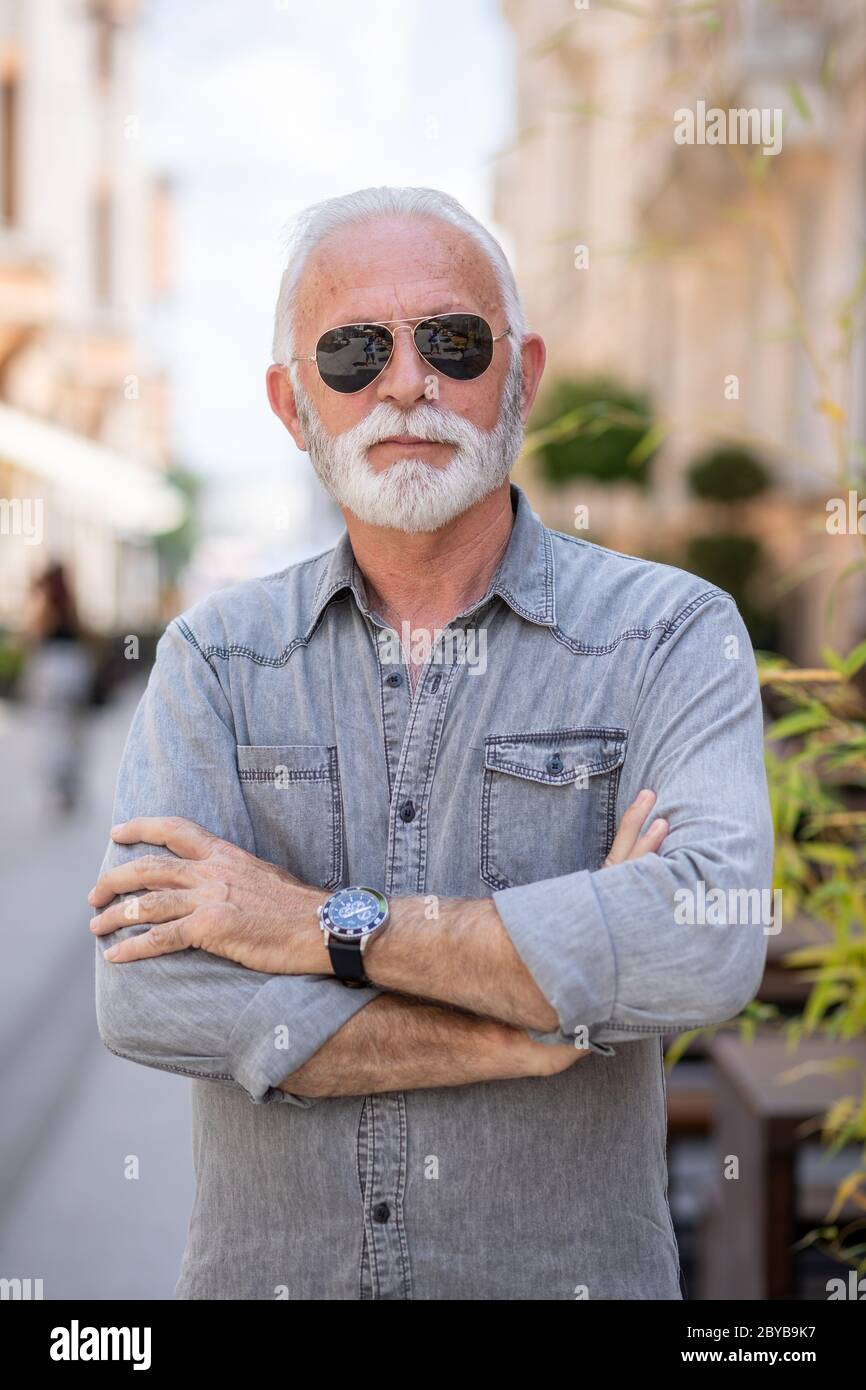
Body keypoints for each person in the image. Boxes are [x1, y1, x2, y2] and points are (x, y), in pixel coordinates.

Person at [90, 186, 773, 1300]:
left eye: (451, 341)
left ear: (523, 373)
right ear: (289, 401)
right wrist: (519, 1029)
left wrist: (309, 923)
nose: (406, 383)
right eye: (353, 351)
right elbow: (148, 996)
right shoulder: (213, 657)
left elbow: (701, 938)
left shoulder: (668, 632)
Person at [22, 563, 94, 813]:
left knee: (54, 731)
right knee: (71, 732)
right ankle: (68, 786)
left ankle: (60, 786)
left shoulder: (46, 607)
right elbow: (87, 636)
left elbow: (31, 636)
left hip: (51, 671)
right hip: (74, 668)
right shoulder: (71, 606)